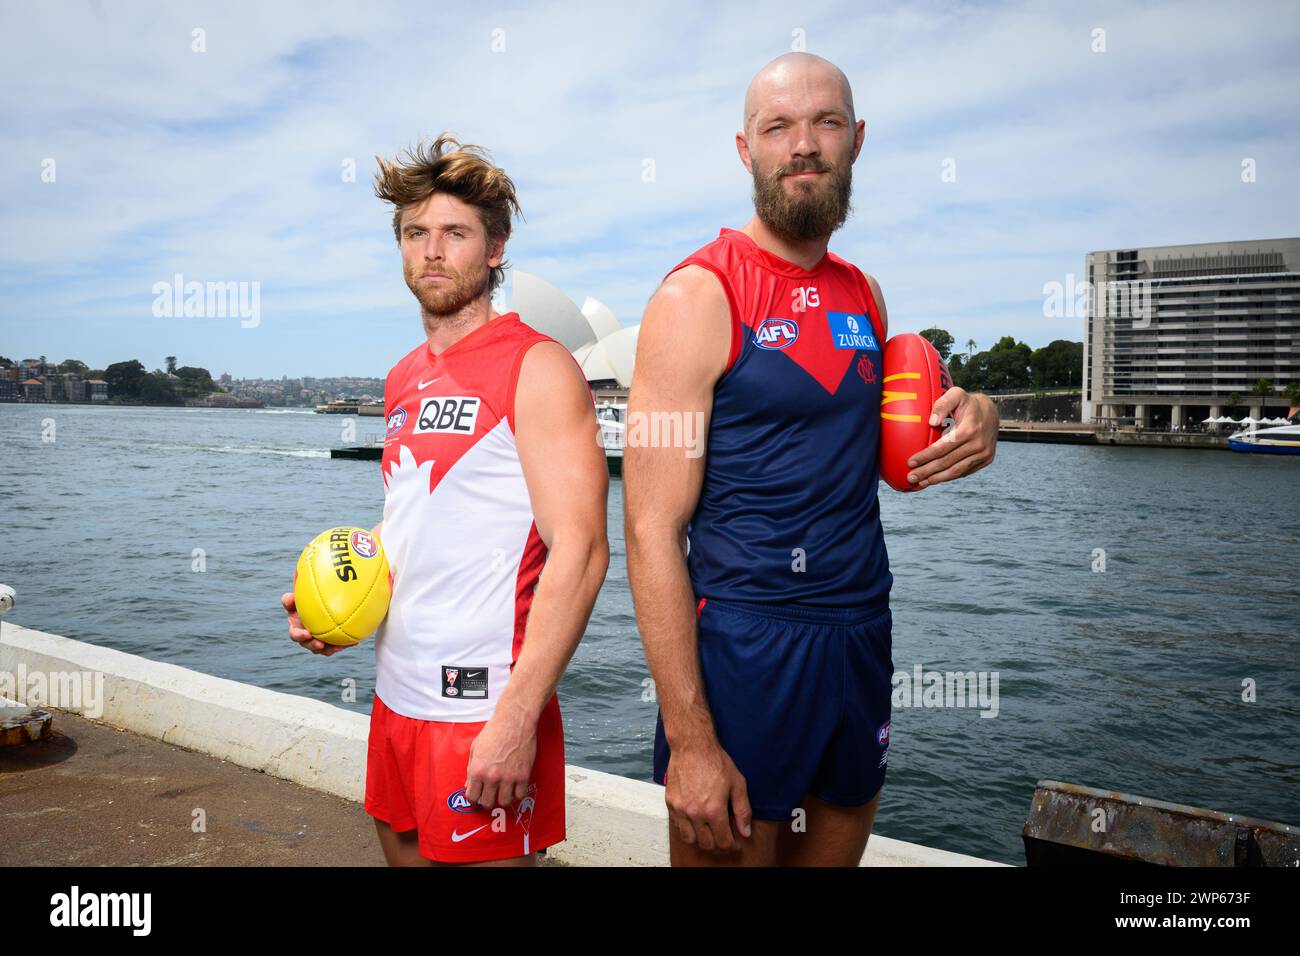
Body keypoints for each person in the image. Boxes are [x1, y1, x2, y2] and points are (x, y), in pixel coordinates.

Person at [625, 53, 998, 867]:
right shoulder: (697, 297)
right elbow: (651, 530)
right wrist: (691, 741)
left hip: (861, 634)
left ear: (857, 139)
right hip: (745, 647)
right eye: (778, 127)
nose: (803, 145)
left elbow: (891, 456)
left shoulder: (865, 294)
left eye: (825, 122)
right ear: (744, 149)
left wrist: (978, 413)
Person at [282, 135, 608, 866]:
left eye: (454, 233)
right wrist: (341, 606)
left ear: (495, 248)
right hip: (397, 698)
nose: (432, 251)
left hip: (483, 707)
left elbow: (582, 553)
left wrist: (517, 717)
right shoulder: (403, 377)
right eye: (415, 233)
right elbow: (413, 524)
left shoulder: (538, 366)